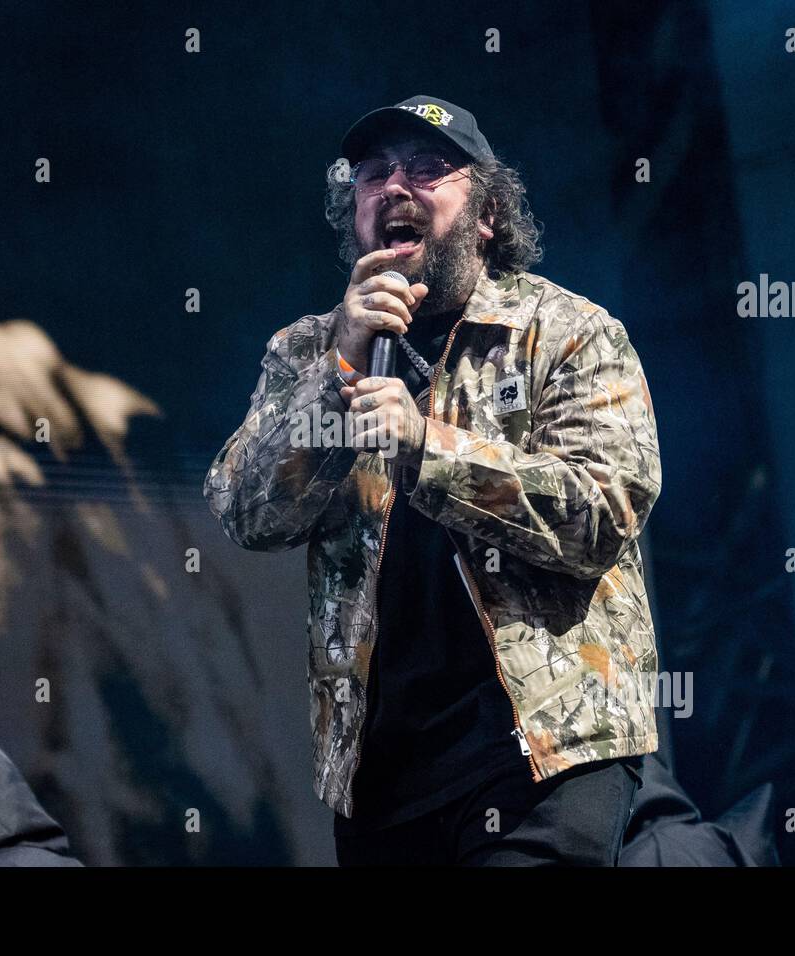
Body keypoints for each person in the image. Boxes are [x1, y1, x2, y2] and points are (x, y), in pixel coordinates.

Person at [204, 95, 662, 865]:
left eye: (425, 168)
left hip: (542, 757)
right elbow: (245, 511)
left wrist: (428, 447)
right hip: (381, 779)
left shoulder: (569, 332)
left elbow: (602, 512)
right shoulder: (308, 350)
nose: (394, 187)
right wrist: (337, 369)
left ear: (487, 214)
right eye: (374, 173)